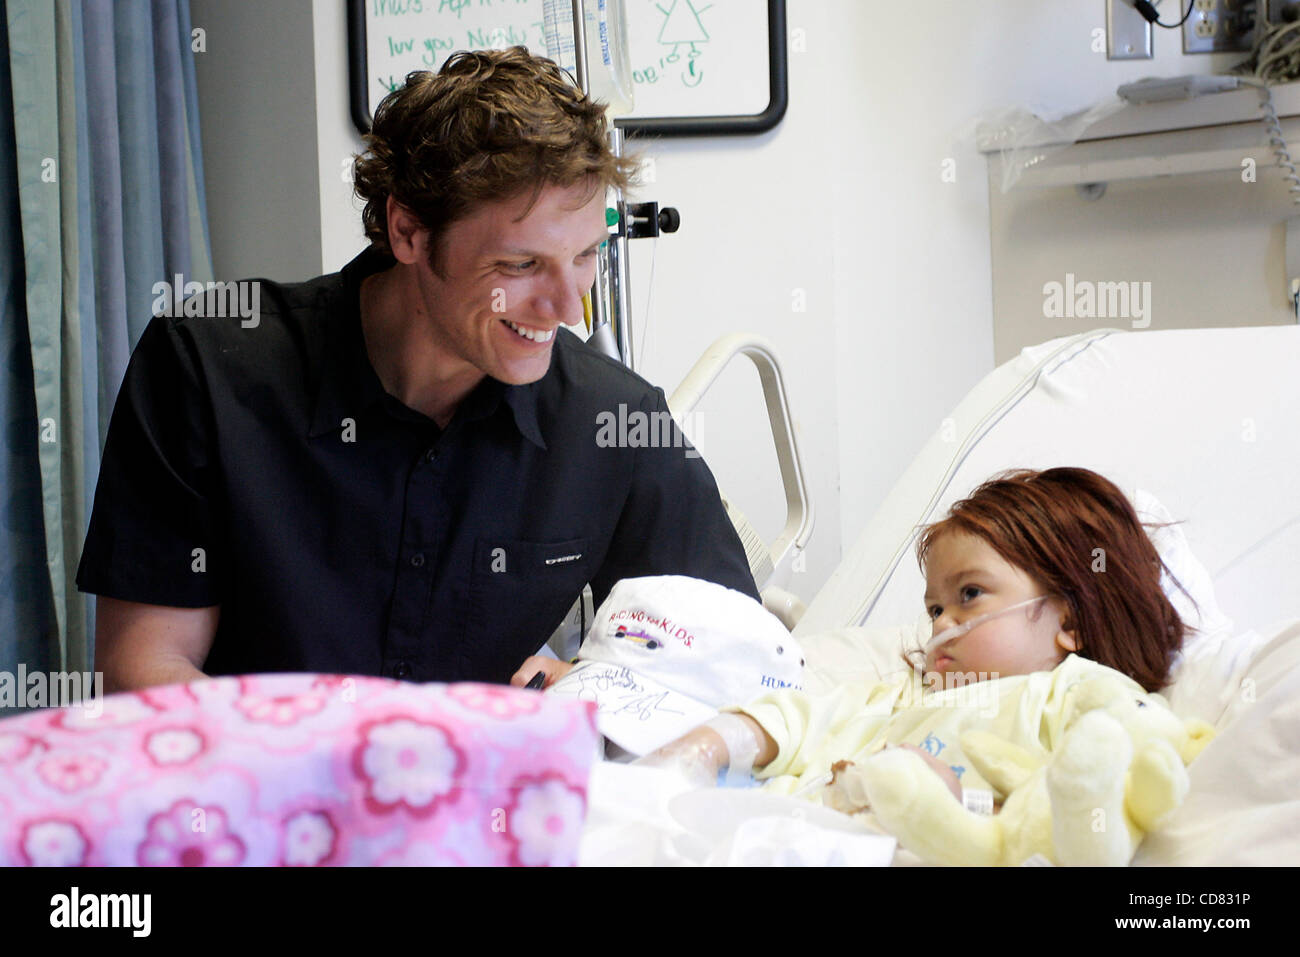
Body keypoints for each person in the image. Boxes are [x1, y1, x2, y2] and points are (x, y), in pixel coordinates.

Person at [76, 47, 758, 694]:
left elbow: (738, 656)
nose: (567, 308)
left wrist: (593, 682)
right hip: (255, 773)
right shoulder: (207, 373)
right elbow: (142, 668)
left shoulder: (612, 421)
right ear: (407, 231)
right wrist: (327, 757)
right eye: (520, 264)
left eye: (584, 256)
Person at [637, 467, 1190, 802]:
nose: (942, 625)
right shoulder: (901, 695)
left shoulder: (1079, 699)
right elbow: (795, 720)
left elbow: (1097, 795)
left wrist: (959, 805)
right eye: (934, 609)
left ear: (1068, 621)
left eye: (970, 594)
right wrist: (705, 746)